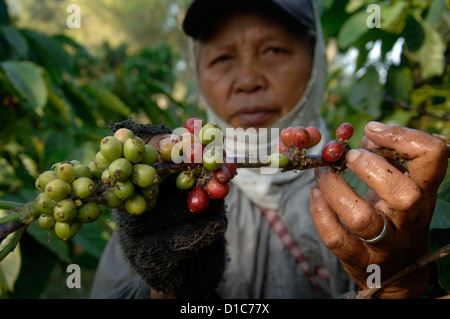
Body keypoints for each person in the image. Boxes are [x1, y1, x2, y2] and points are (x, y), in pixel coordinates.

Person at [90, 0, 448, 299]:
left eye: (274, 50)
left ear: (315, 62)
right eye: (221, 58)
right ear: (198, 72)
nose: (248, 81)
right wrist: (168, 292)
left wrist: (400, 287)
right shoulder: (164, 198)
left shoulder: (382, 191)